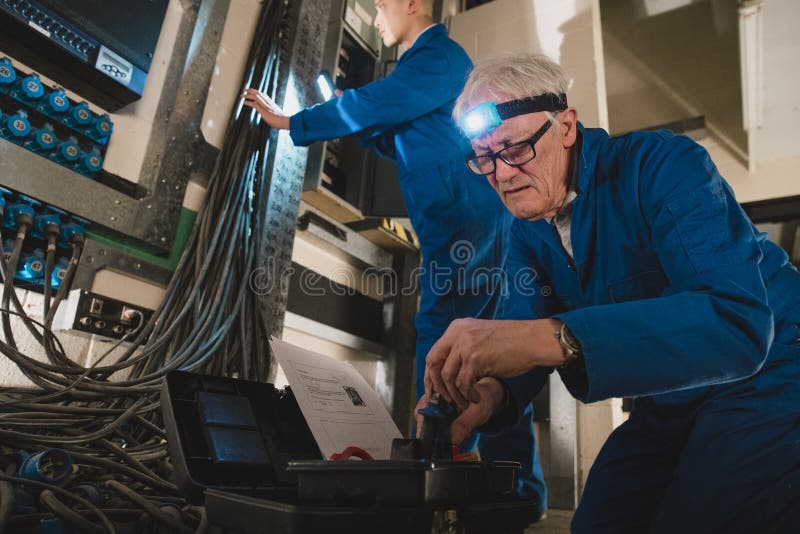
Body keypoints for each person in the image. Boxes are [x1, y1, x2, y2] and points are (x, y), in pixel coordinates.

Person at [422, 52, 800, 532]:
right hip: (668, 398)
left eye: (514, 149)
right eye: (485, 158)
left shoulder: (663, 166)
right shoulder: (528, 233)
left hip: (773, 372)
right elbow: (519, 330)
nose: (502, 174)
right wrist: (491, 394)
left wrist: (552, 337)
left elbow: (737, 323)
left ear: (566, 126)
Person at [242, 0, 547, 512]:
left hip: (468, 228)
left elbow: (377, 105)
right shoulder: (419, 72)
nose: (377, 15)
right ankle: (490, 485)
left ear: (412, 3)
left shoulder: (441, 58)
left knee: (455, 343)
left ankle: (457, 480)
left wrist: (293, 121)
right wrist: (354, 112)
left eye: (381, 4)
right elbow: (395, 134)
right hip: (451, 230)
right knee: (466, 346)